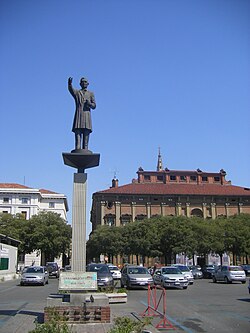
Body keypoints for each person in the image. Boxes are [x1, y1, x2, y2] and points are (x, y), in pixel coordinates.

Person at [68, 77, 96, 150]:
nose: (84, 83)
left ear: (88, 84)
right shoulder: (77, 93)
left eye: (85, 82)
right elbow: (71, 90)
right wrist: (70, 84)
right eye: (82, 82)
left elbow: (94, 106)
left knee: (86, 133)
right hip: (79, 115)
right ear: (80, 84)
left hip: (87, 116)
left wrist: (89, 104)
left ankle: (85, 148)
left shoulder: (90, 93)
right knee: (78, 131)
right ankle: (77, 147)